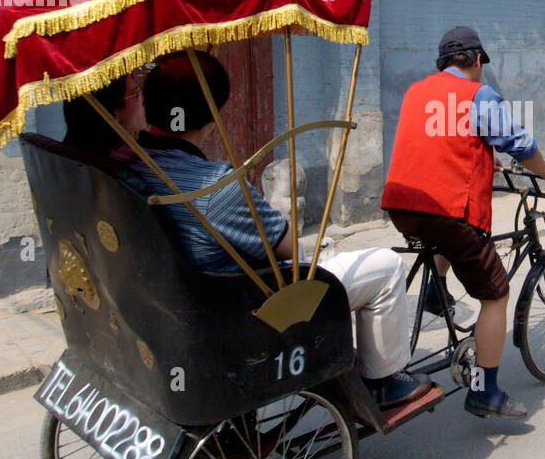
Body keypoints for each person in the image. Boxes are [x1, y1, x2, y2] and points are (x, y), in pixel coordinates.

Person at [116, 51, 428, 410]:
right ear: (214, 114)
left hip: (172, 299)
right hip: (239, 308)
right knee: (387, 265)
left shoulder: (127, 165)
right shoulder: (216, 187)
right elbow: (290, 250)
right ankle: (382, 382)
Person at [381, 26, 545, 420]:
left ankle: (436, 290)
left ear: (443, 62)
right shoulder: (476, 94)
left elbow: (439, 143)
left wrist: (482, 156)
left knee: (445, 235)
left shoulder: (417, 91)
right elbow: (521, 143)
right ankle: (486, 390)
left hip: (401, 206)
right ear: (477, 60)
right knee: (495, 294)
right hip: (443, 211)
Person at [61, 72, 146, 154]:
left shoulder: (60, 157)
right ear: (113, 112)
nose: (144, 101)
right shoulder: (122, 164)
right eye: (137, 93)